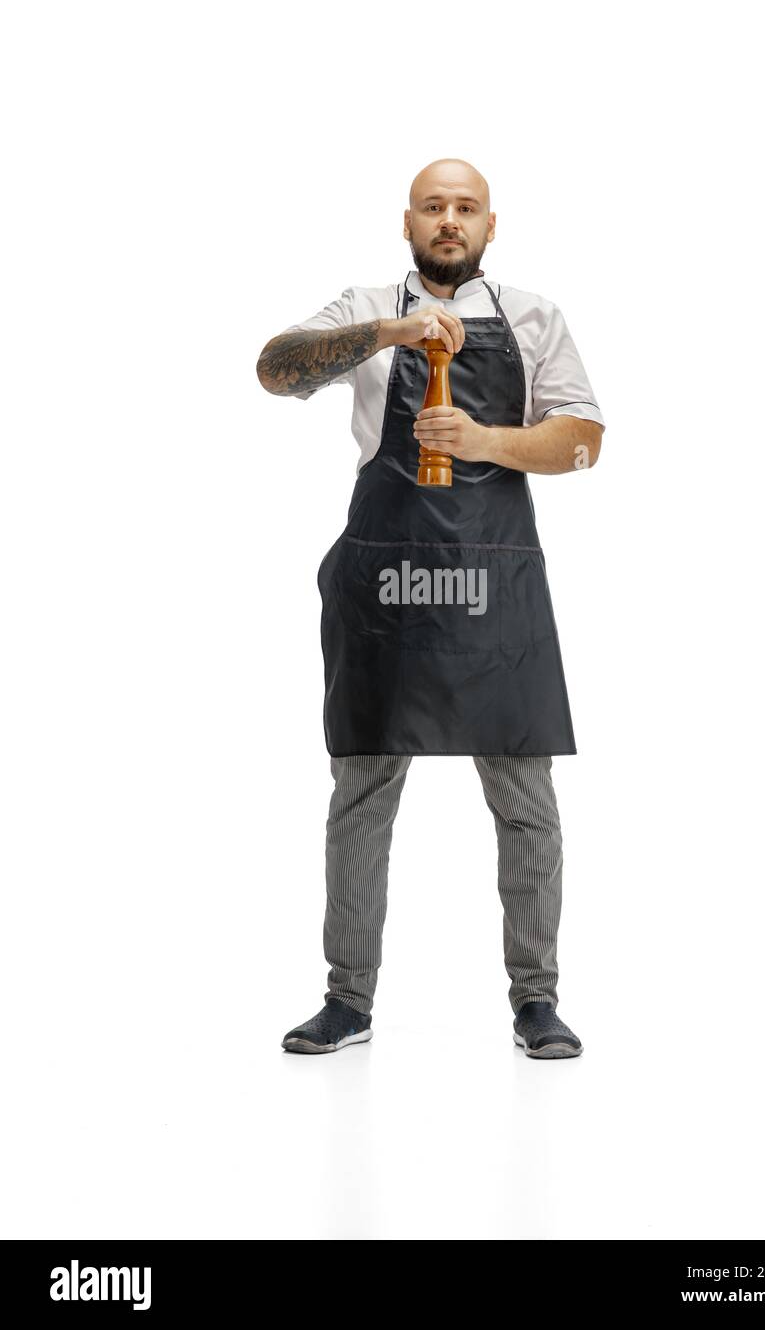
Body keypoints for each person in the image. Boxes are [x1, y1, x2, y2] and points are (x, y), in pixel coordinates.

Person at [257, 158, 605, 1059]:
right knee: (362, 794)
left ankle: (537, 1000)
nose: (449, 220)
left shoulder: (534, 319)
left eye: (466, 208)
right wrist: (390, 331)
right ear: (407, 222)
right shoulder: (367, 309)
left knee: (526, 798)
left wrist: (485, 439)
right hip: (386, 586)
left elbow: (584, 442)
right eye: (432, 207)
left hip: (495, 582)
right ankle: (348, 999)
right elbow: (276, 370)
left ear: (492, 225)